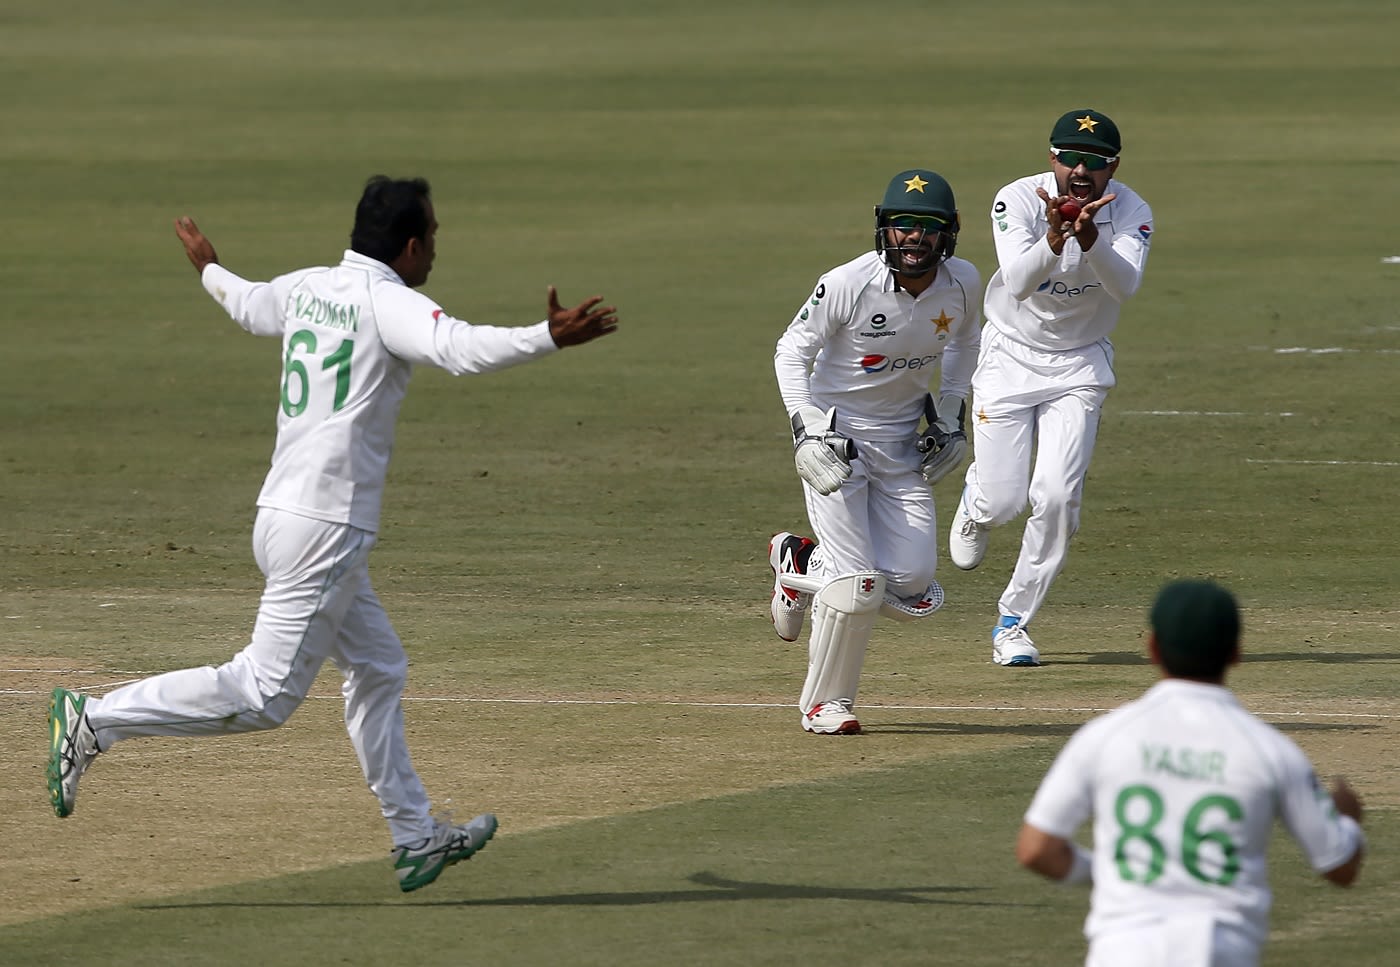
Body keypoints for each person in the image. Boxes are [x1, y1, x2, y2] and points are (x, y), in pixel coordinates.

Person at [45, 175, 619, 892]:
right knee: (263, 695)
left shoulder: (307, 288)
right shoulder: (389, 303)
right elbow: (460, 348)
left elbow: (247, 303)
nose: (436, 250)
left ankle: (414, 835)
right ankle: (95, 719)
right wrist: (548, 337)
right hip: (325, 529)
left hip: (285, 514)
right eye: (433, 238)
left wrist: (208, 267)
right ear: (409, 247)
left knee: (379, 667)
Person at [1017, 579, 1365, 967]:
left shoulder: (1105, 736)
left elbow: (1036, 850)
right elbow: (1339, 865)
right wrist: (1347, 820)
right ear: (1235, 653)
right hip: (1218, 953)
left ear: (1152, 648)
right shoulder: (1270, 749)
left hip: (1120, 953)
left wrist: (1106, 872)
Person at [768, 169, 981, 734]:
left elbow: (965, 343)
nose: (913, 238)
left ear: (949, 233)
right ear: (883, 230)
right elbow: (790, 352)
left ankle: (797, 563)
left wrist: (953, 414)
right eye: (902, 226)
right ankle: (825, 704)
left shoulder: (963, 284)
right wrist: (807, 429)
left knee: (912, 586)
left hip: (902, 445)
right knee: (858, 584)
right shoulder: (847, 283)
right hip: (837, 443)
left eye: (927, 228)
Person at [949, 108, 1155, 667]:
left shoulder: (1131, 211)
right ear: (1052, 159)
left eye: (1095, 162)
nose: (1080, 171)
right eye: (1070, 159)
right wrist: (1054, 237)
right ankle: (978, 500)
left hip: (1079, 366)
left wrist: (1090, 241)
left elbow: (1125, 286)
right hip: (1009, 358)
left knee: (1059, 498)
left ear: (1113, 166)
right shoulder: (1015, 198)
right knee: (1005, 500)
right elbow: (1017, 282)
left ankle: (1013, 621)